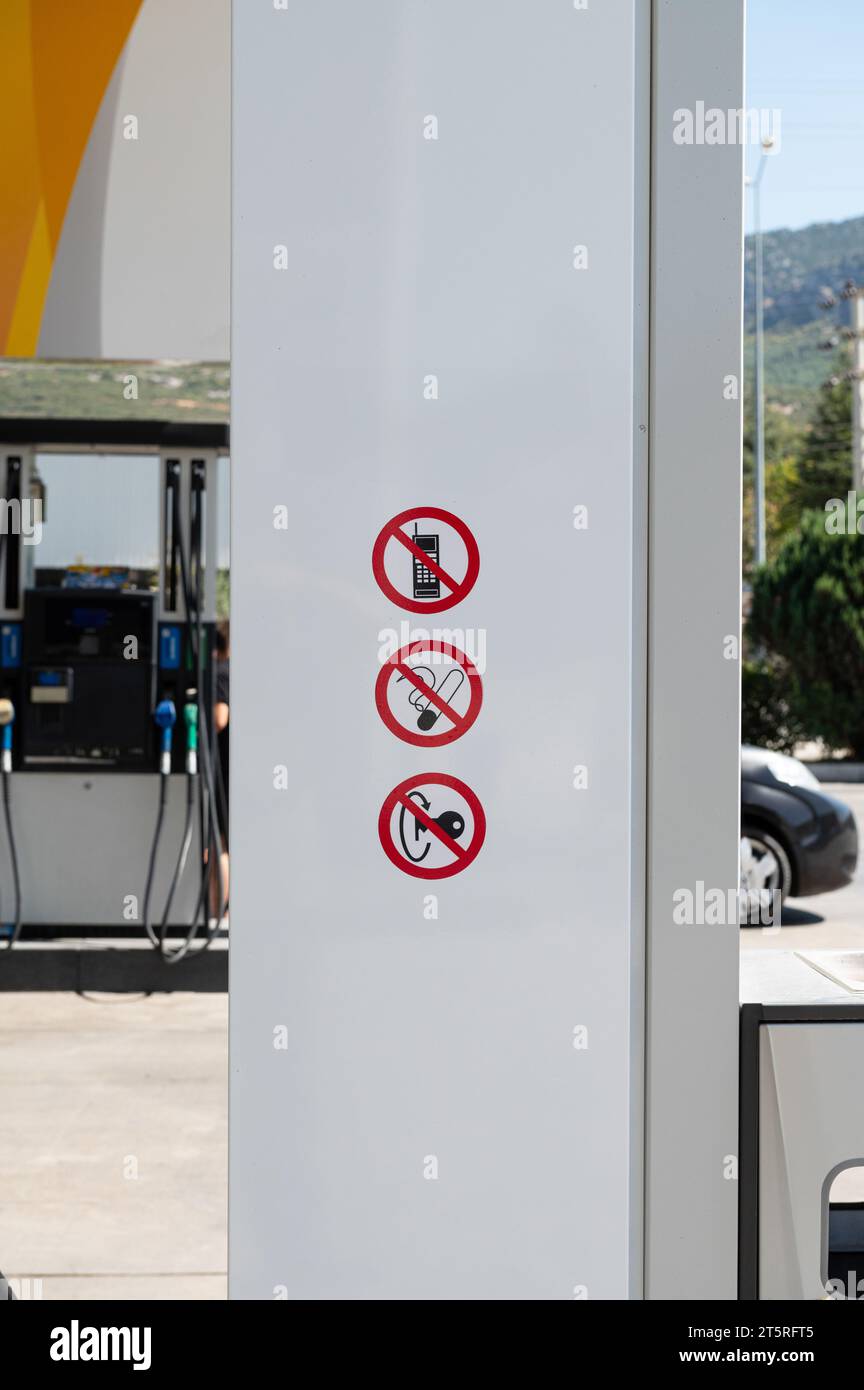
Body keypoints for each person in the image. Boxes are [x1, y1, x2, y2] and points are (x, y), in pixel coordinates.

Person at [212, 620, 230, 912]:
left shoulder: (220, 674)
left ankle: (218, 912)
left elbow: (219, 719)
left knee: (219, 843)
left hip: (222, 766)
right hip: (239, 768)